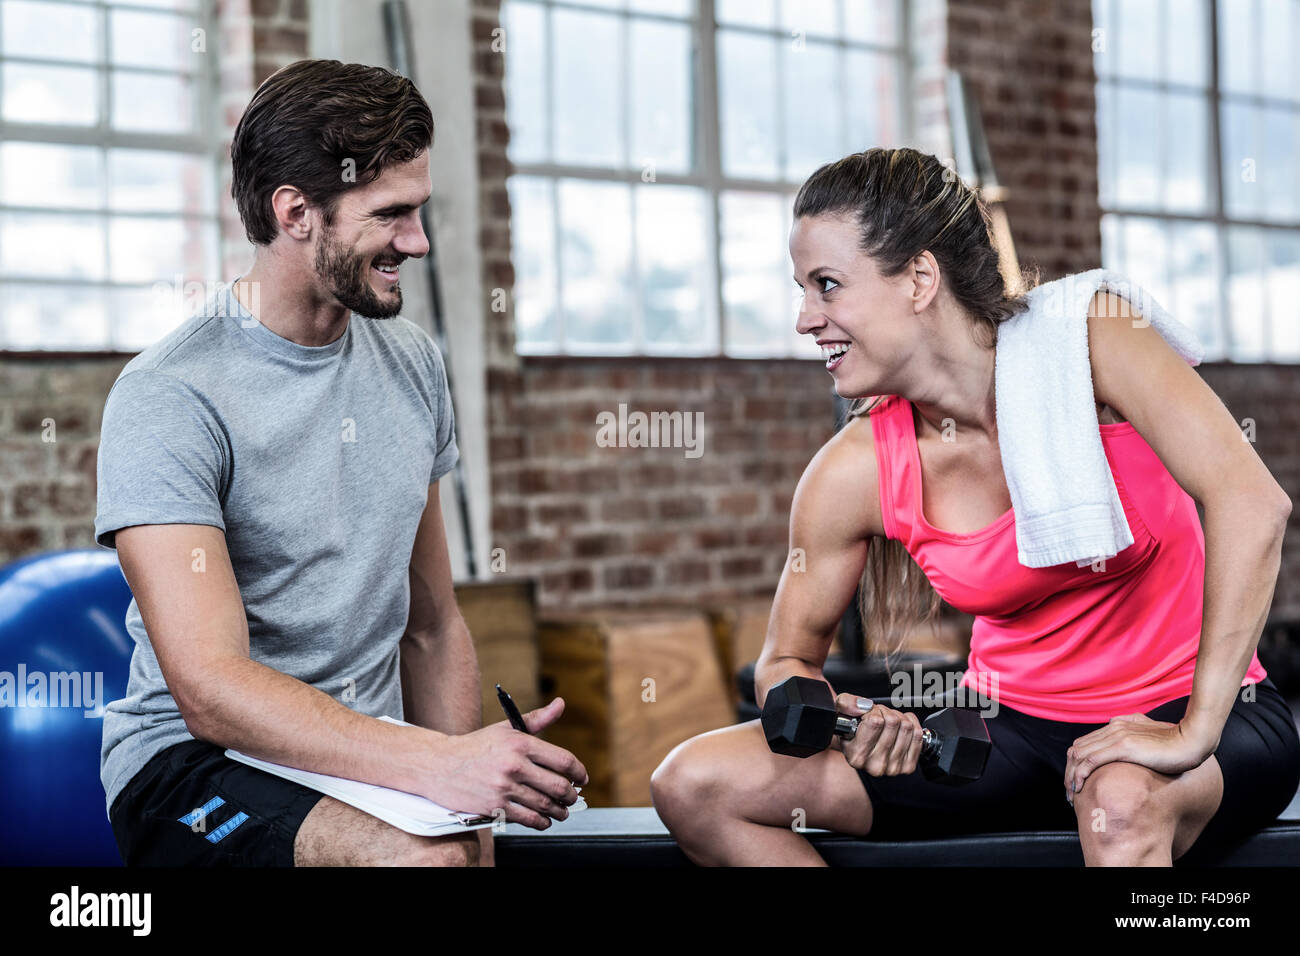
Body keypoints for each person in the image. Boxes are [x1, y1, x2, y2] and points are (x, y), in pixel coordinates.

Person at [651, 146, 1299, 867]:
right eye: (802, 290)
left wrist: (1195, 728)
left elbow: (1252, 501)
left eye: (827, 286)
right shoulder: (854, 470)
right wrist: (847, 719)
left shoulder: (1093, 340)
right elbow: (785, 662)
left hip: (1197, 713)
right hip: (1004, 737)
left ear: (921, 279)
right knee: (695, 783)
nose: (806, 318)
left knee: (1120, 802)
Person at [96, 59, 585, 867]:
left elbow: (430, 624)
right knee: (418, 861)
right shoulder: (169, 394)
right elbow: (211, 688)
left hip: (367, 756)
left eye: (419, 211)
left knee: (464, 853)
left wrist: (472, 787)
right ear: (296, 212)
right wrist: (440, 766)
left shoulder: (413, 363)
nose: (418, 242)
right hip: (189, 769)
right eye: (390, 214)